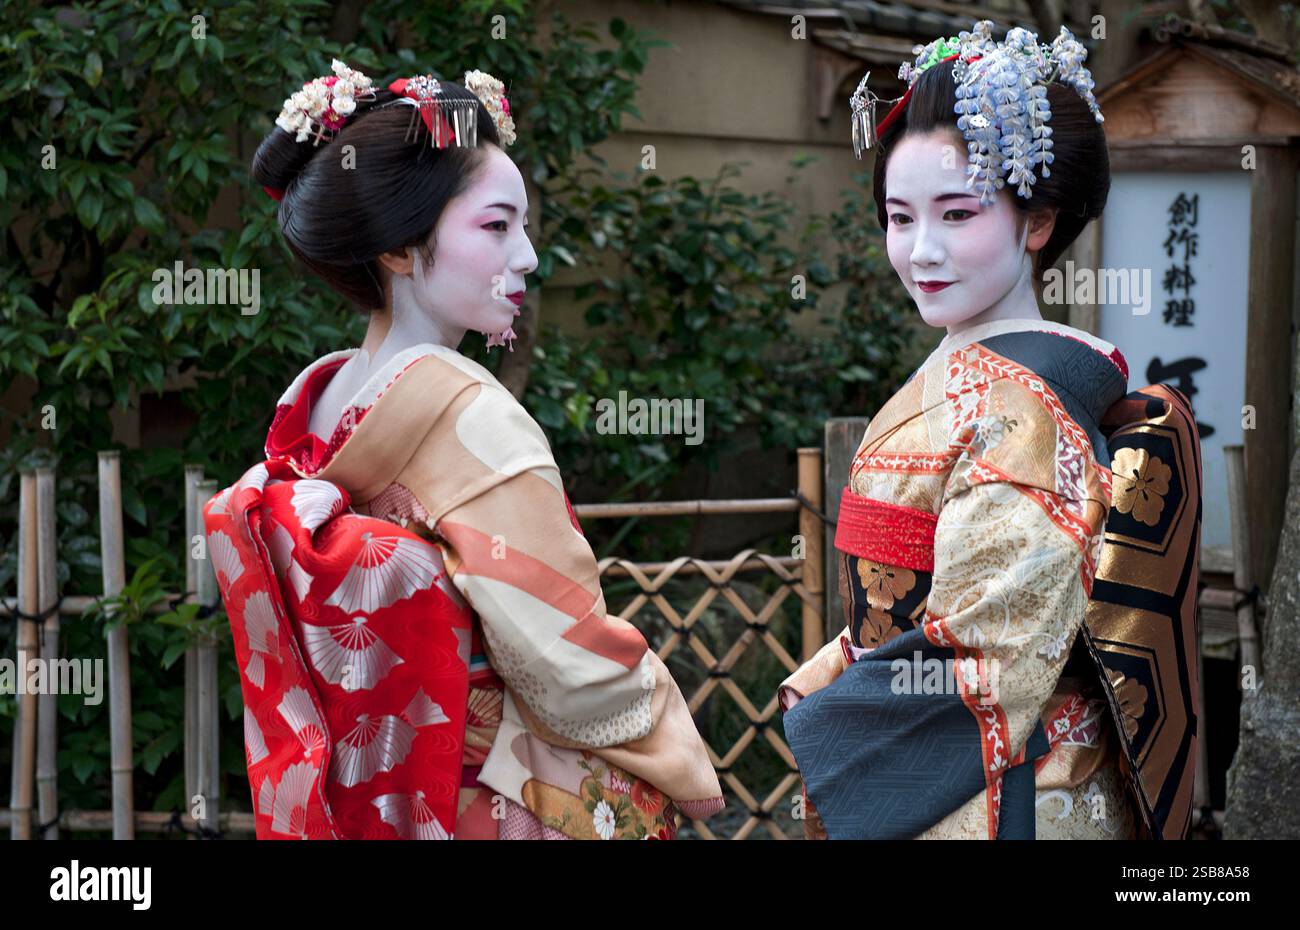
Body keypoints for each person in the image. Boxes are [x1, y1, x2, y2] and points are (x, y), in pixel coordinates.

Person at [202, 61, 723, 840]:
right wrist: (668, 731)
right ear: (401, 248)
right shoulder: (469, 411)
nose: (528, 258)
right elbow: (567, 662)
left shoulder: (316, 405)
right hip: (487, 792)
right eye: (495, 226)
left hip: (373, 789)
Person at [779, 22, 1201, 839]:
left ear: (1036, 222)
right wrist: (842, 667)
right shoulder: (980, 378)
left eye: (957, 213)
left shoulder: (1021, 410)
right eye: (900, 218)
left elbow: (989, 658)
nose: (920, 251)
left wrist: (832, 710)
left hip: (1004, 789)